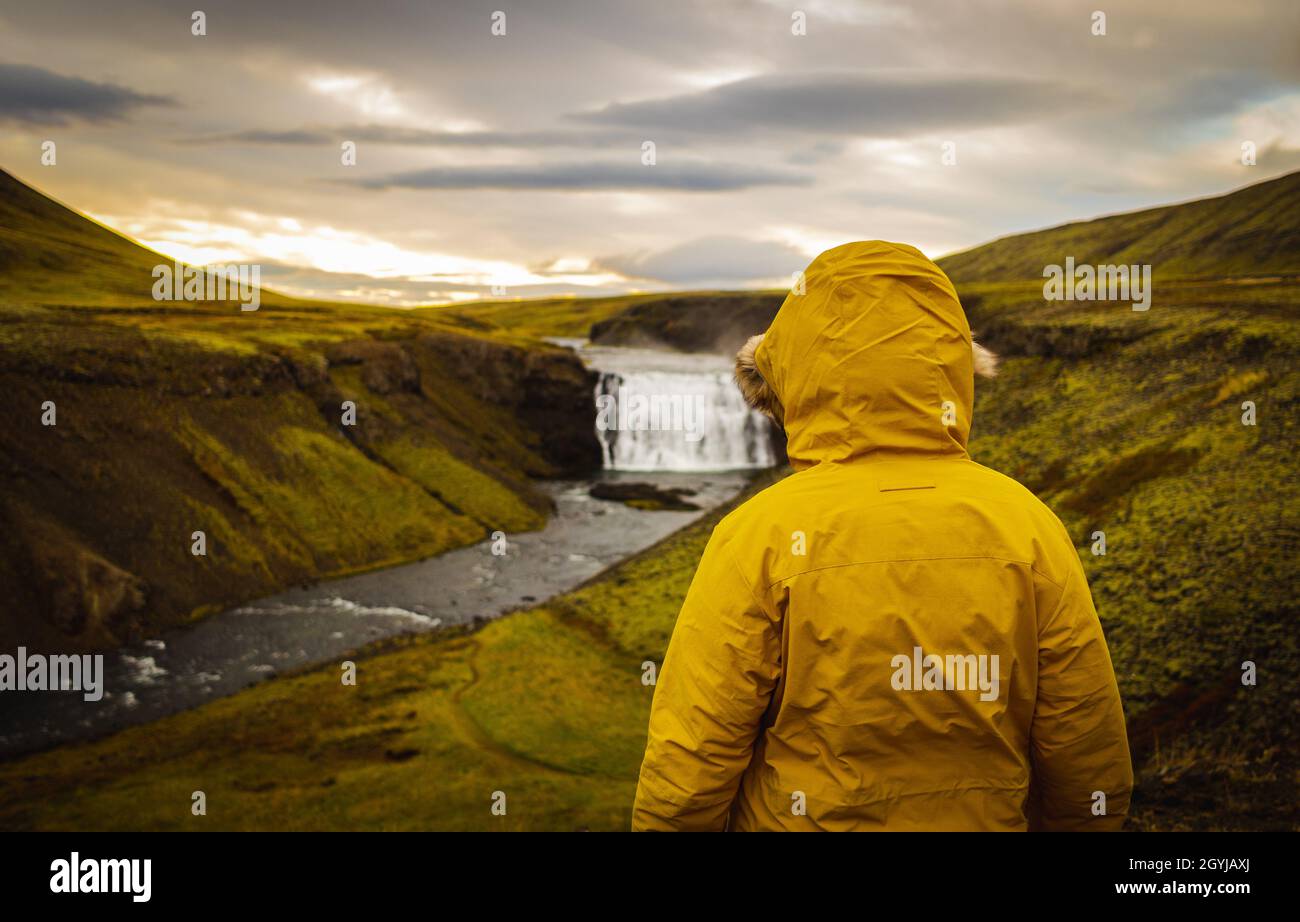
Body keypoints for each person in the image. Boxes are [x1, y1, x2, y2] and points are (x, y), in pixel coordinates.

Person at [631, 241, 1133, 831]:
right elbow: (1085, 743)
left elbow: (694, 750)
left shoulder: (758, 535)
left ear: (792, 371)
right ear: (952, 368)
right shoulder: (1027, 524)